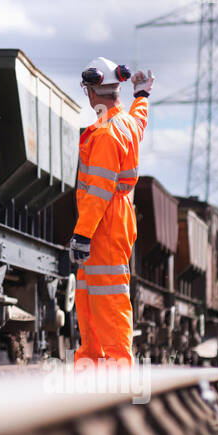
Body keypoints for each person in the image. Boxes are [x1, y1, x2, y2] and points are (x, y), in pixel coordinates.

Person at [67, 57, 152, 364]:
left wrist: (82, 234)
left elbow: (99, 191)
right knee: (90, 298)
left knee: (107, 298)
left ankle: (117, 371)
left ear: (91, 92)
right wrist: (141, 95)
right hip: (116, 217)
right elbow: (139, 121)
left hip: (104, 221)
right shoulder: (125, 123)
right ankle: (91, 367)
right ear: (117, 90)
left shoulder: (105, 134)